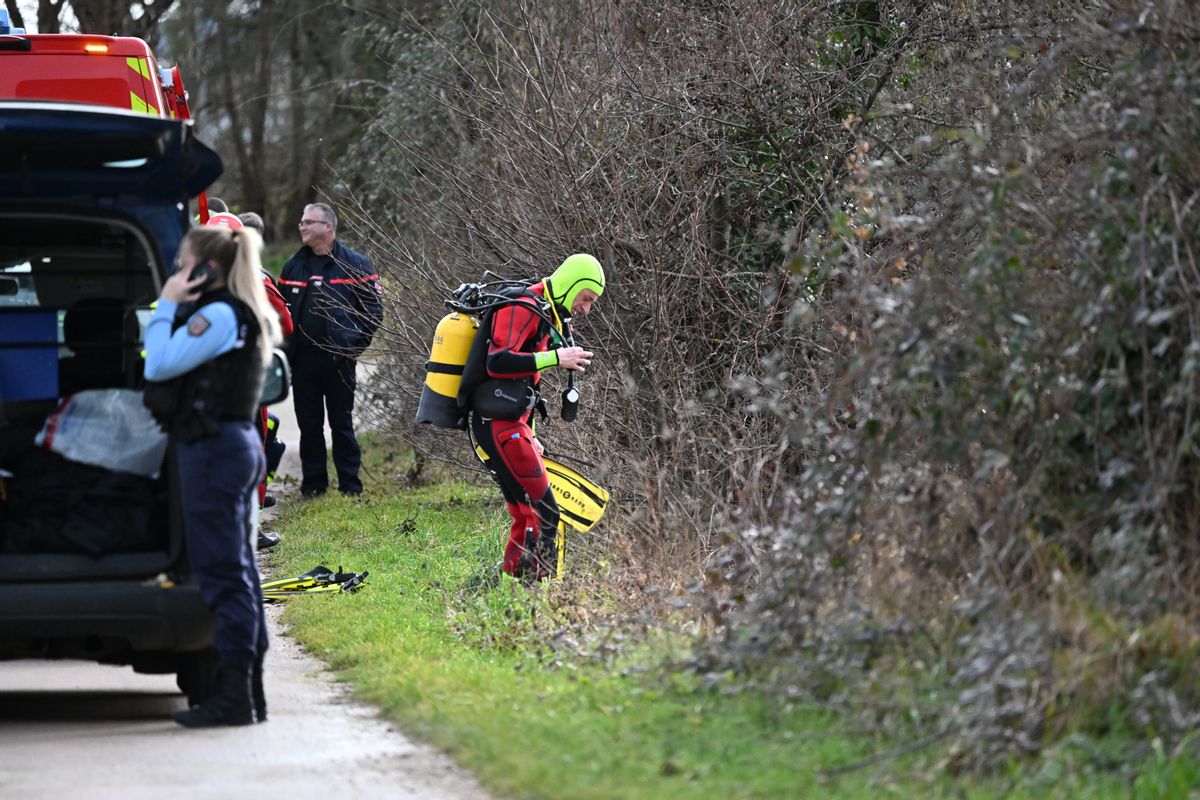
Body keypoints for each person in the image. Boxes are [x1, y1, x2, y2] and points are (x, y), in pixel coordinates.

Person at [142, 225, 283, 727]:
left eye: (184, 263)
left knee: (224, 574)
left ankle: (235, 696)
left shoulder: (218, 315)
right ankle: (248, 693)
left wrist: (165, 304)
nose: (179, 271)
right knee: (238, 572)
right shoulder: (230, 311)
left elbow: (158, 364)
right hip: (226, 447)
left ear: (208, 268)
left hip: (215, 451)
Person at [465, 253, 604, 581]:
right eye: (586, 298)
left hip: (510, 424)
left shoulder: (544, 310)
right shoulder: (523, 306)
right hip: (499, 425)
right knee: (546, 512)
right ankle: (533, 590)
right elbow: (498, 362)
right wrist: (556, 357)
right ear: (571, 285)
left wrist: (532, 433)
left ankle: (514, 586)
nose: (586, 309)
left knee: (526, 510)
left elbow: (527, 385)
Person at [278, 203, 381, 498]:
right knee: (309, 426)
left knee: (341, 424)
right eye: (301, 222)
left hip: (340, 361)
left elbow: (373, 311)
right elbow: (280, 313)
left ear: (328, 227)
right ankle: (313, 486)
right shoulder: (293, 266)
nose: (302, 226)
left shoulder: (355, 264)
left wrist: (354, 348)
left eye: (308, 222)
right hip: (303, 361)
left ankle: (350, 486)